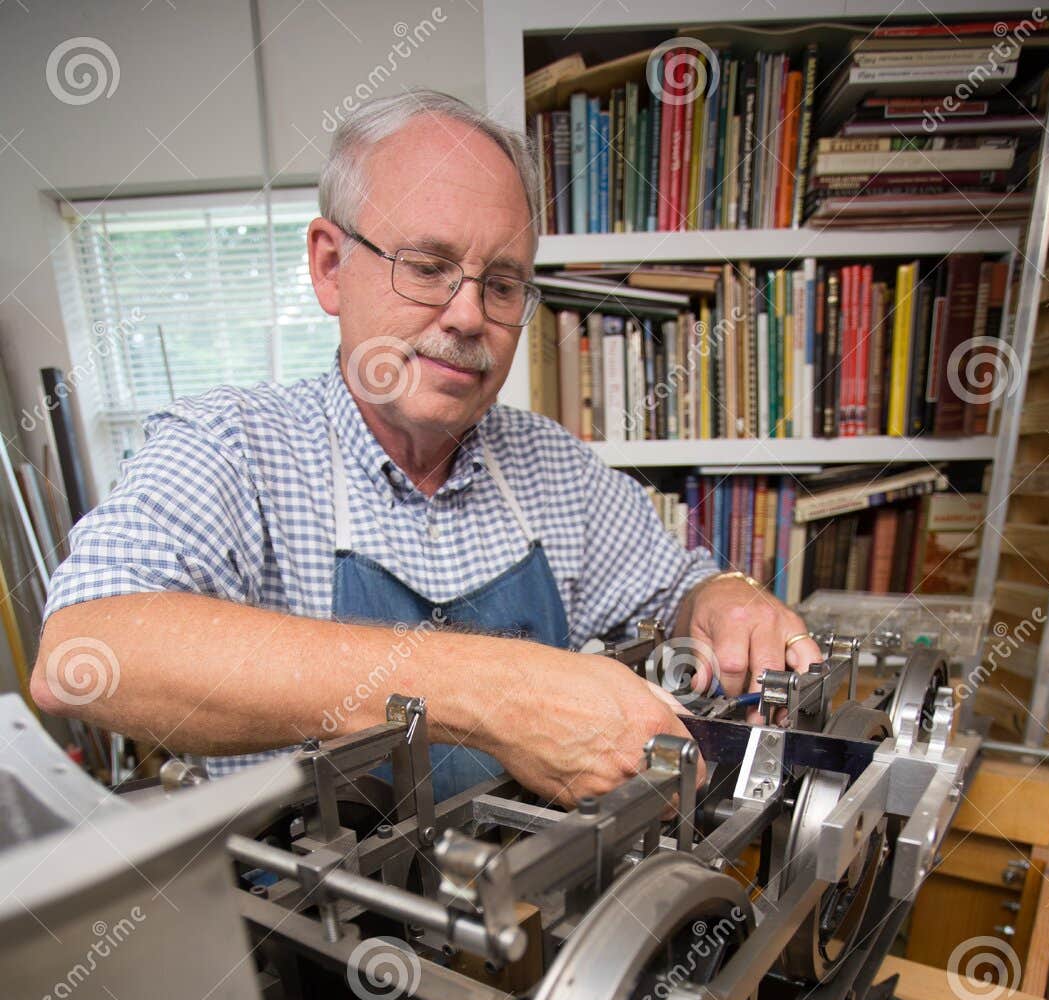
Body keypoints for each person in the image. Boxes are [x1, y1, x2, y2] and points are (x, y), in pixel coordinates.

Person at [32, 89, 820, 806]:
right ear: (331, 267)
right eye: (428, 267)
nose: (467, 316)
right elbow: (83, 651)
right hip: (296, 935)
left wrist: (723, 592)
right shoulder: (234, 447)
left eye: (502, 284)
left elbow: (678, 591)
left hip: (530, 913)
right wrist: (493, 690)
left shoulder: (554, 469)